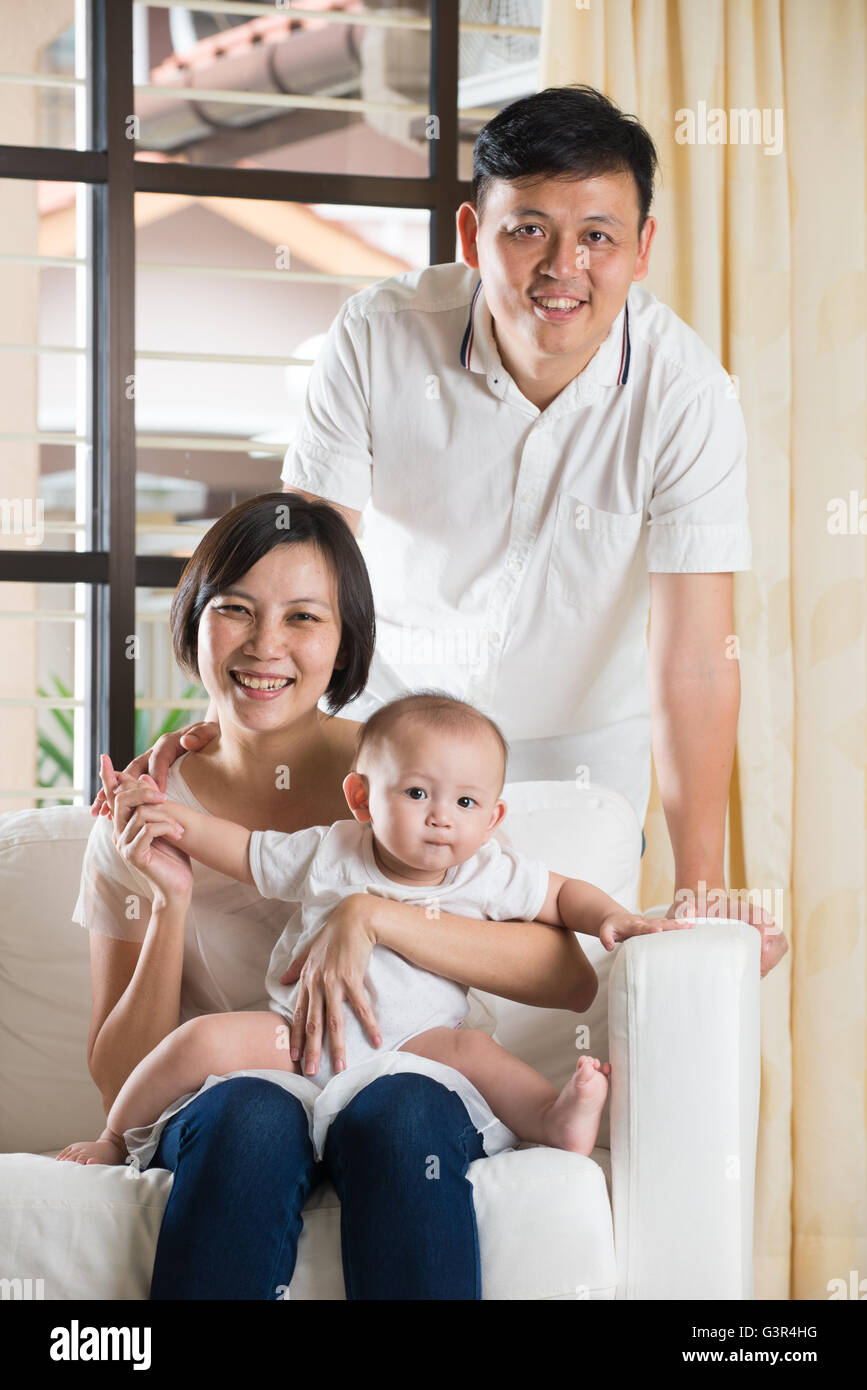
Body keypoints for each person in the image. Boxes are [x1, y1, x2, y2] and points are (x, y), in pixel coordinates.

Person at [111, 85, 786, 1022]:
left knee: (553, 1008)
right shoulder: (378, 336)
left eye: (597, 235)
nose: (562, 267)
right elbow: (299, 564)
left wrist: (704, 884)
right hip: (391, 732)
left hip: (584, 744)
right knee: (359, 993)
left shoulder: (688, 395)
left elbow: (694, 656)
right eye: (528, 231)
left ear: (641, 249)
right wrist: (229, 724)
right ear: (472, 234)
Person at [74, 492, 599, 1301]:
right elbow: (119, 1079)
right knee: (252, 1119)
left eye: (304, 619)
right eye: (235, 609)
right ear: (193, 619)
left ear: (345, 638)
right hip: (245, 1083)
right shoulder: (146, 809)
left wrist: (378, 916)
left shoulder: (411, 771)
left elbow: (563, 975)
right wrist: (169, 906)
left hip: (400, 1074)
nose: (265, 646)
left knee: (401, 1114)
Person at [61, 691, 693, 1175]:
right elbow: (239, 847)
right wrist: (161, 812)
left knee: (477, 1054)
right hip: (299, 1040)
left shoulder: (485, 870)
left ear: (493, 816)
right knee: (202, 1040)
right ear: (361, 798)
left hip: (420, 1045)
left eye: (466, 804)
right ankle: (116, 1137)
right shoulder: (333, 849)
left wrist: (610, 914)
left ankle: (556, 1121)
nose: (442, 817)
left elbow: (560, 895)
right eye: (417, 793)